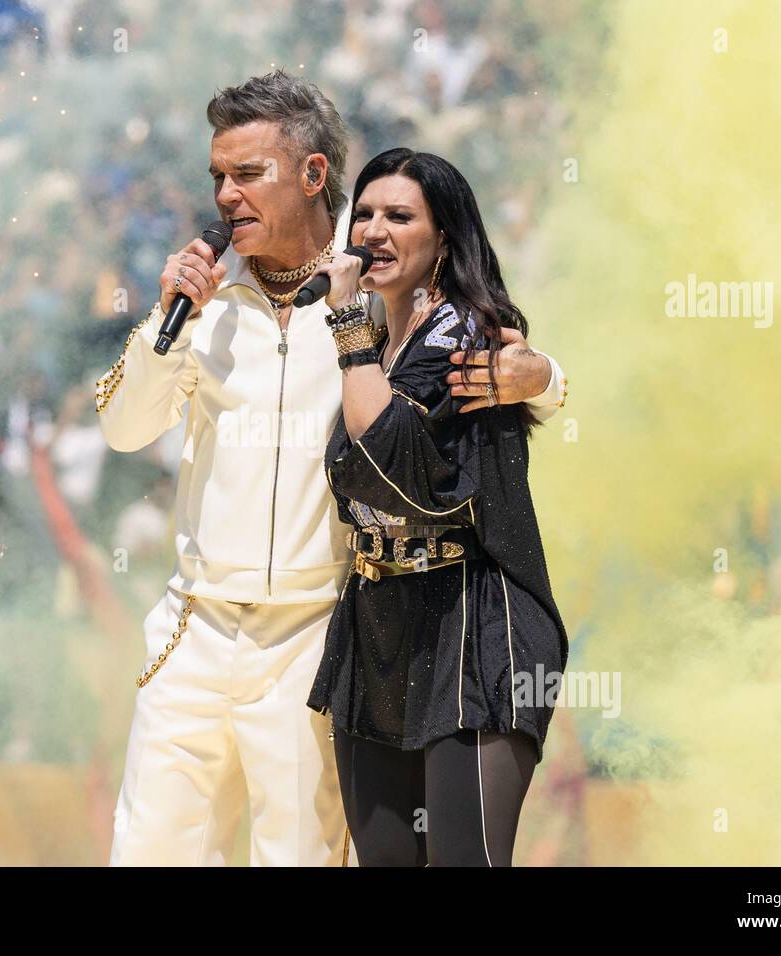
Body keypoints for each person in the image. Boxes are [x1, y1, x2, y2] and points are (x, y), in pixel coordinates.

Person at [95, 71, 568, 866]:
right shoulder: (205, 297)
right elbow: (122, 425)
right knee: (148, 850)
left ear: (315, 175)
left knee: (302, 857)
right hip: (195, 626)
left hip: (318, 629)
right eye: (218, 176)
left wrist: (547, 377)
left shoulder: (377, 278)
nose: (225, 196)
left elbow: (486, 349)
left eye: (248, 174)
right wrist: (169, 319)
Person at [304, 147, 568, 866]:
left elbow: (391, 461)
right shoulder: (387, 341)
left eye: (400, 216)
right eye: (364, 214)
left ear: (444, 237)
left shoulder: (467, 339)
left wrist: (349, 329)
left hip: (475, 625)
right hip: (380, 629)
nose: (375, 231)